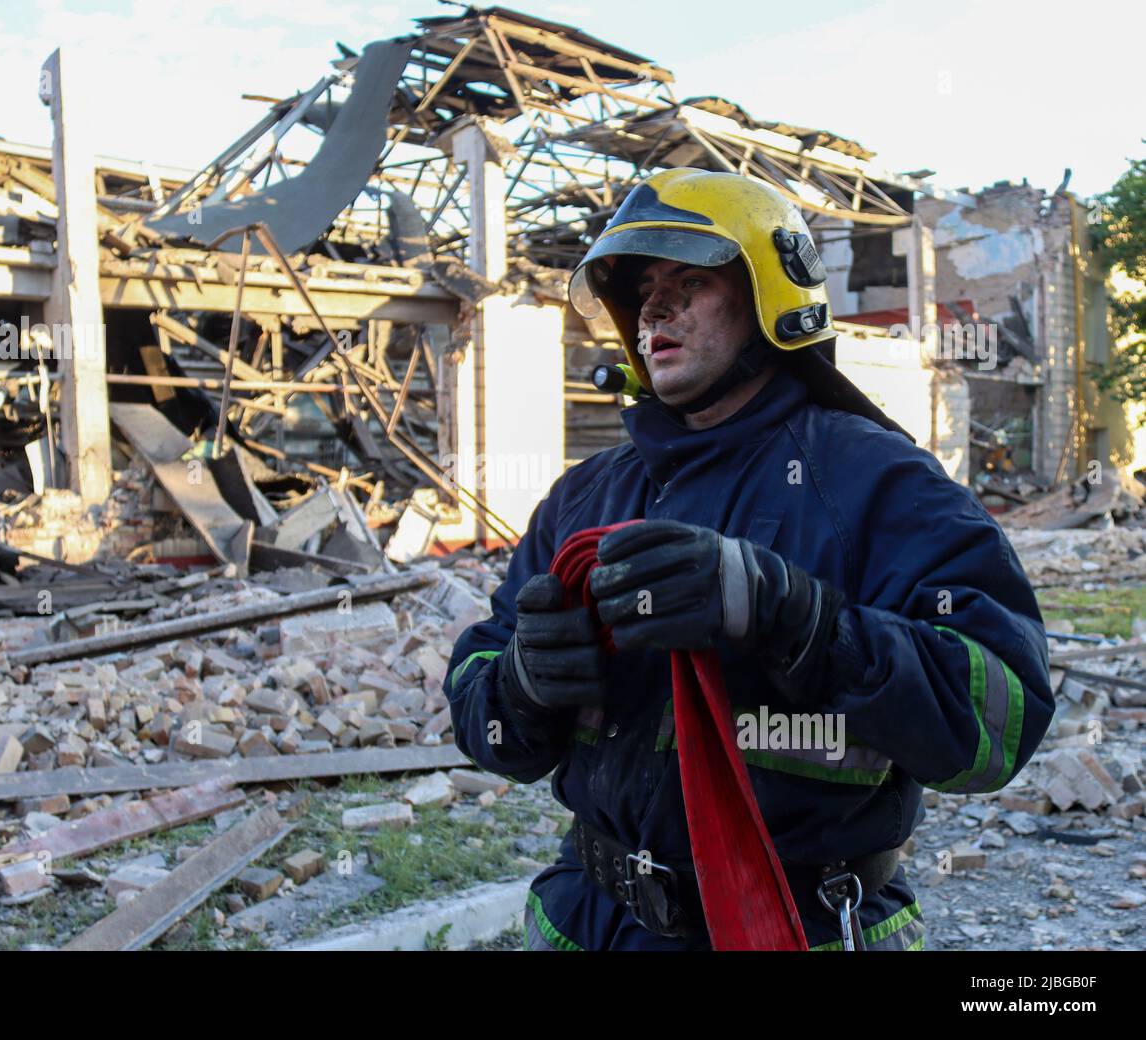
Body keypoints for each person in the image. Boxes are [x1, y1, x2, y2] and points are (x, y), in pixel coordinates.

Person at [443, 168, 1054, 951]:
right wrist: (520, 686)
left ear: (773, 298)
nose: (655, 308)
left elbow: (999, 723)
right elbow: (479, 706)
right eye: (642, 290)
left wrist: (801, 623)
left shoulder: (876, 482)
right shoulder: (583, 499)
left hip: (797, 925)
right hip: (589, 920)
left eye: (689, 281)